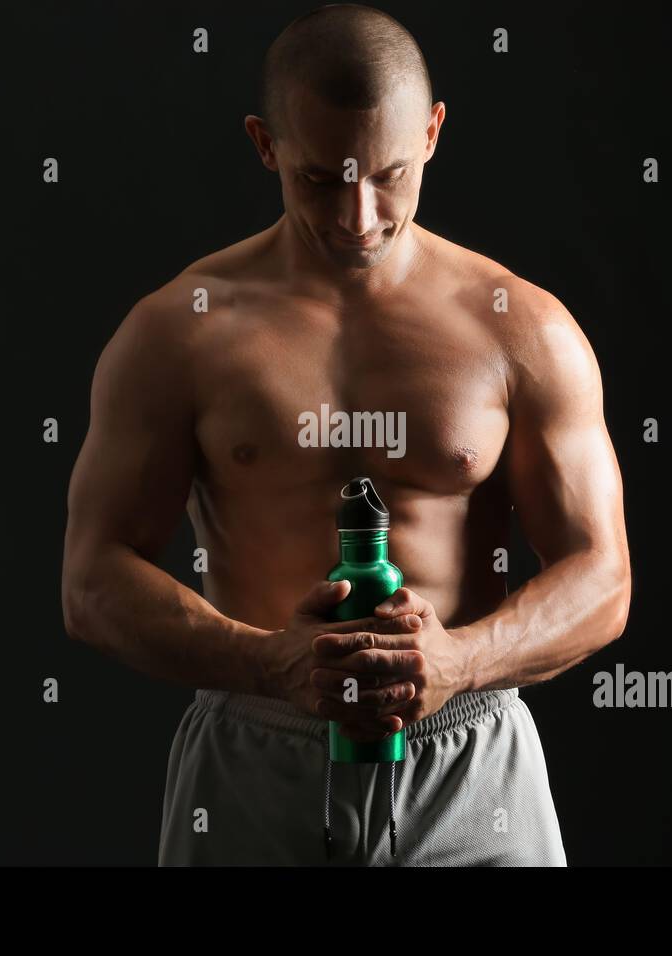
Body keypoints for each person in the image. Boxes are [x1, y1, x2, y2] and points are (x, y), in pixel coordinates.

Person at [61, 3, 631, 866]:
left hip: (467, 754)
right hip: (257, 752)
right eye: (321, 179)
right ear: (265, 146)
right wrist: (269, 664)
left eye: (390, 174)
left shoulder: (521, 327)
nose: (358, 216)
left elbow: (604, 579)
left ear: (434, 132)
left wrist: (462, 663)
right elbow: (92, 581)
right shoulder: (179, 331)